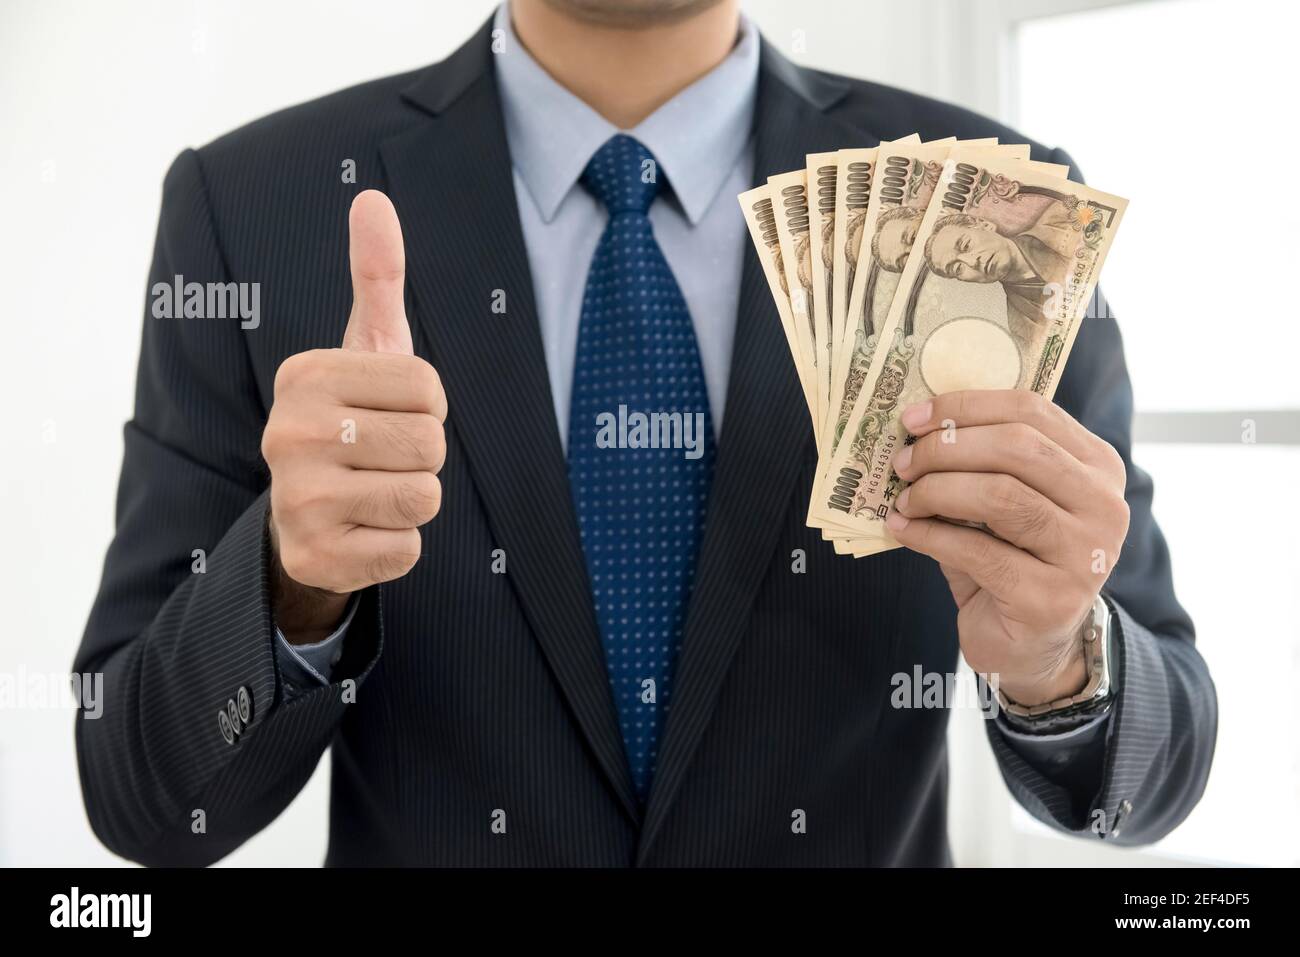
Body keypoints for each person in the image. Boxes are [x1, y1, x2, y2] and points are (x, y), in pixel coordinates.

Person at [74, 0, 1215, 866]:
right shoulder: (253, 204)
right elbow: (139, 799)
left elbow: (1160, 765)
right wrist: (292, 587)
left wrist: (1063, 659)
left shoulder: (985, 203)